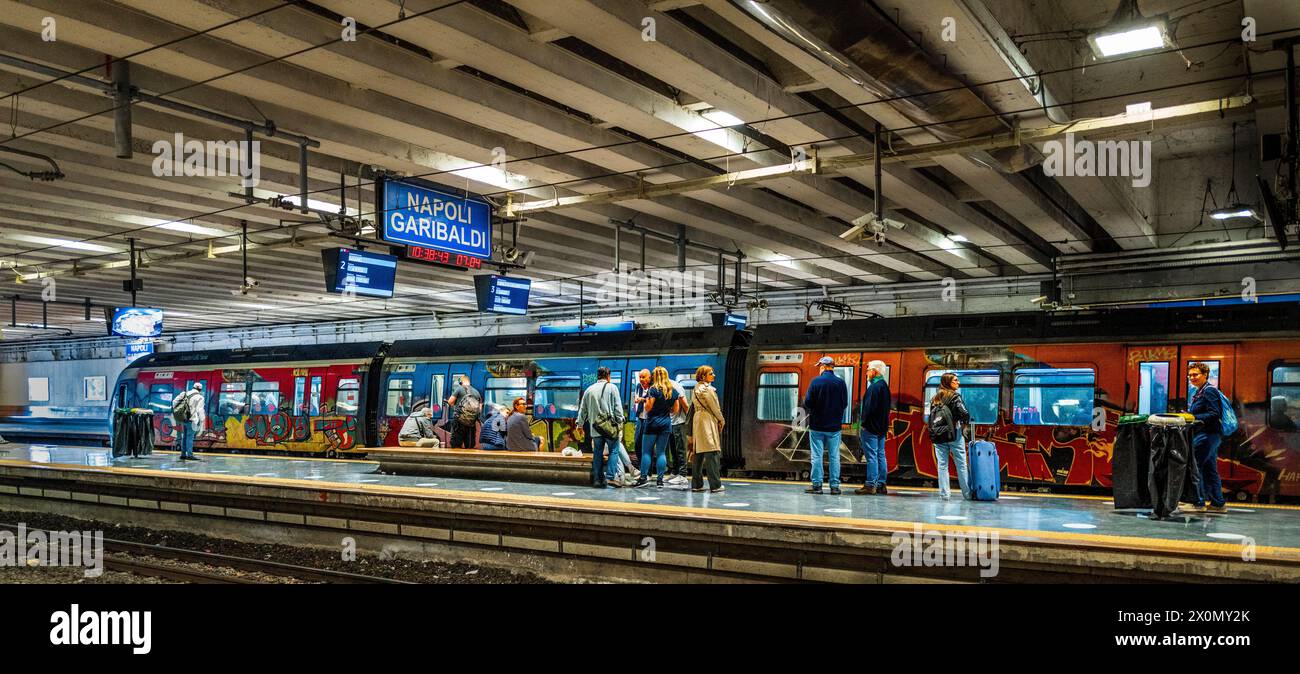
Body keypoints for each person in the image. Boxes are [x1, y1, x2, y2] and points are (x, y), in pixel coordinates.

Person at [1186, 362, 1227, 514]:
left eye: (1195, 374)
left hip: (1207, 435)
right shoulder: (1199, 391)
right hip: (1209, 435)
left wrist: (1192, 417)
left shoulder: (1209, 391)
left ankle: (1198, 502)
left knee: (1195, 466)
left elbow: (1214, 413)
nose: (1192, 377)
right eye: (1190, 375)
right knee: (1210, 469)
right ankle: (1218, 503)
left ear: (1205, 375)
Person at [803, 356, 847, 495]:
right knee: (834, 456)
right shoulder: (841, 383)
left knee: (817, 456)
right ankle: (834, 487)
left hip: (817, 426)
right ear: (832, 367)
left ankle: (817, 486)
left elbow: (808, 403)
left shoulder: (816, 382)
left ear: (822, 366)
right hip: (834, 427)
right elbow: (844, 403)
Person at [576, 367, 625, 488]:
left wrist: (580, 424)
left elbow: (583, 410)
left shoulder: (589, 390)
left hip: (595, 428)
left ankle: (597, 479)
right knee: (614, 450)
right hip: (610, 428)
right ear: (608, 375)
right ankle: (610, 477)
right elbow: (618, 409)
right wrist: (620, 423)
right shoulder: (612, 388)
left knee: (597, 452)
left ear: (597, 376)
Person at [636, 366, 684, 489]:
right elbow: (675, 410)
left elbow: (648, 408)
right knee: (661, 452)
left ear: (655, 376)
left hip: (652, 423)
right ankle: (660, 480)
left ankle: (643, 478)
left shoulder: (653, 390)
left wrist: (646, 401)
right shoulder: (672, 391)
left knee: (646, 451)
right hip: (666, 423)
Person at [929, 373, 971, 500]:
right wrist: (964, 424)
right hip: (955, 434)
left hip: (939, 434)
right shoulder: (955, 397)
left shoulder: (935, 398)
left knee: (942, 464)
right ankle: (967, 494)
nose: (958, 382)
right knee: (961, 464)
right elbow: (964, 413)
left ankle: (945, 494)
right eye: (955, 380)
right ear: (948, 383)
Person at [856, 360, 891, 495]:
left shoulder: (874, 388)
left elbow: (868, 409)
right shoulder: (884, 387)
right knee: (880, 455)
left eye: (868, 370)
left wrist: (864, 424)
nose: (866, 373)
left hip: (870, 428)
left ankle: (870, 485)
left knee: (871, 456)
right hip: (881, 428)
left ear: (875, 371)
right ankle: (881, 484)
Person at [689, 365, 725, 493]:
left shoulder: (696, 388)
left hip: (698, 420)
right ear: (703, 376)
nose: (714, 375)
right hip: (707, 419)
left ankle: (696, 484)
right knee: (712, 451)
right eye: (711, 373)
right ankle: (715, 484)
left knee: (698, 452)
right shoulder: (707, 389)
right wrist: (721, 419)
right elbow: (714, 407)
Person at [446, 375, 482, 449]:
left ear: (461, 382)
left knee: (456, 443)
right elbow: (479, 409)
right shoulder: (476, 392)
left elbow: (450, 402)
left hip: (459, 421)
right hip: (471, 422)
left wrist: (456, 408)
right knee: (469, 444)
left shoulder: (459, 389)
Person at [174, 382, 206, 461]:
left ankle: (183, 454)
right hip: (192, 420)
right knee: (190, 437)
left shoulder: (185, 394)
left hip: (184, 419)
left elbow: (174, 402)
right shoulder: (200, 397)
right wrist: (202, 421)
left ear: (193, 387)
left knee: (184, 437)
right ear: (200, 389)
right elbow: (200, 410)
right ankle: (190, 455)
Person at [667, 377, 690, 484]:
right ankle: (675, 472)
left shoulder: (676, 386)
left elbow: (685, 405)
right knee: (673, 449)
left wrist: (690, 421)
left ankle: (683, 474)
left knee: (680, 449)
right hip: (670, 422)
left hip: (679, 422)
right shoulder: (663, 386)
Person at [631, 369, 653, 469]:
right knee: (637, 443)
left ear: (649, 378)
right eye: (640, 377)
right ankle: (641, 465)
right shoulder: (638, 387)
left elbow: (652, 402)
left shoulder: (653, 388)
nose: (641, 379)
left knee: (648, 446)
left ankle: (647, 469)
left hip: (650, 419)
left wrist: (642, 399)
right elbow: (636, 400)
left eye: (643, 377)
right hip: (640, 418)